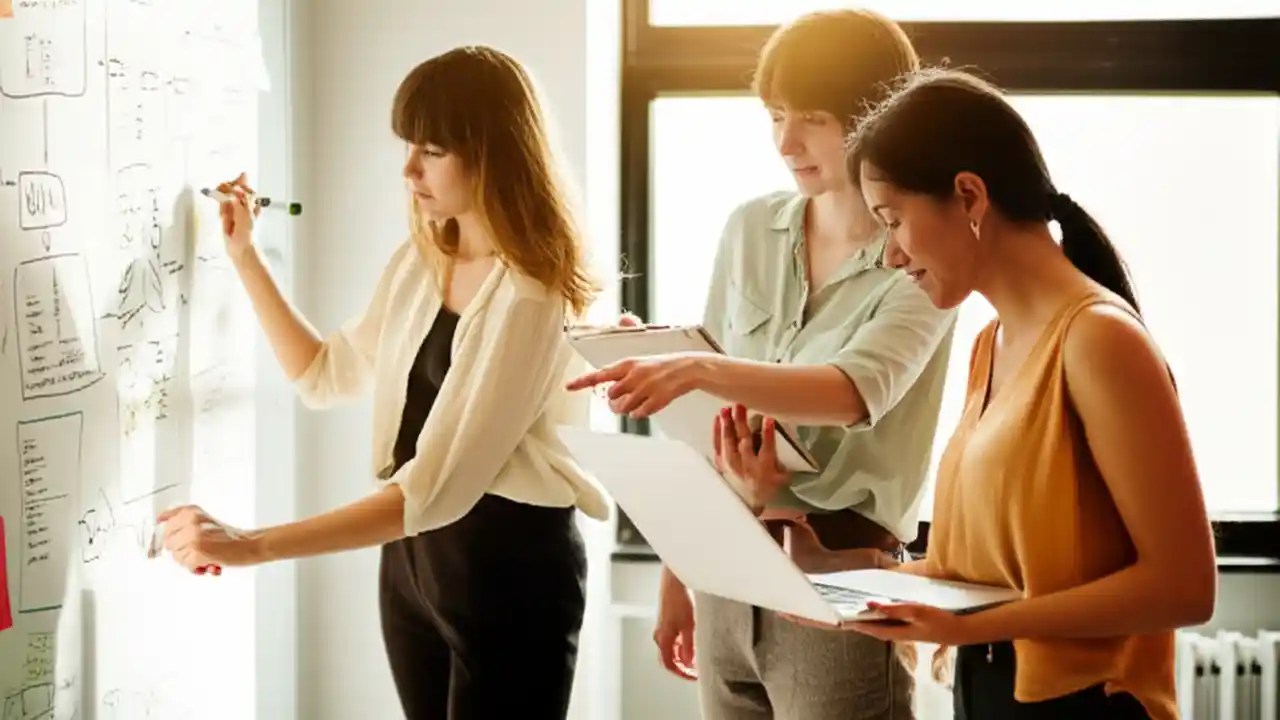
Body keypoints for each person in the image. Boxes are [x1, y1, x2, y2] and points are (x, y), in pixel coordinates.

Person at [155, 46, 610, 720]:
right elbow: (323, 373)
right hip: (411, 562)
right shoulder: (422, 260)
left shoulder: (533, 297)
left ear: (492, 152)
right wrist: (245, 257)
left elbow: (435, 487)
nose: (409, 169)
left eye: (431, 150)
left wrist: (251, 545)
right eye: (408, 146)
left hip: (507, 564)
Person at [764, 67, 1216, 720]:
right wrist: (833, 577)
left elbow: (1184, 588)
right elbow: (980, 580)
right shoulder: (992, 345)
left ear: (970, 196)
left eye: (893, 221)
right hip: (989, 693)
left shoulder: (1098, 341)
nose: (890, 256)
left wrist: (968, 630)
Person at [567, 10, 955, 719]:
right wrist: (677, 574)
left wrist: (692, 368)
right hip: (725, 573)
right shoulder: (750, 227)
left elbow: (851, 392)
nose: (785, 141)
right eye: (774, 115)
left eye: (810, 117)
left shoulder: (922, 257)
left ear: (877, 118)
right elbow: (706, 422)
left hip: (838, 582)